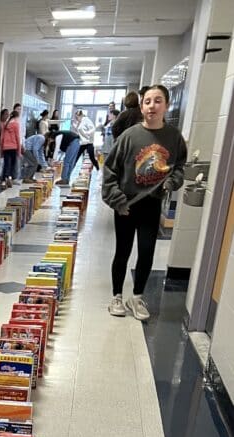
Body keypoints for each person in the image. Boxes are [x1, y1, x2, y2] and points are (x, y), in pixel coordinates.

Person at [102, 84, 187, 320]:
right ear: (141, 106)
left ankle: (136, 297)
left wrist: (172, 183)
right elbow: (110, 170)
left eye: (157, 101)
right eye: (147, 101)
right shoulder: (129, 136)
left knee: (147, 251)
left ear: (166, 105)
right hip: (126, 204)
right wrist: (117, 200)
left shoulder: (173, 137)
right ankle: (116, 295)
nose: (152, 106)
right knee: (123, 251)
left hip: (152, 204)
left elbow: (179, 166)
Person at [0, 109, 22, 187]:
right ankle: (9, 177)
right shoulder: (16, 124)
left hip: (6, 147)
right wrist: (19, 151)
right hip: (13, 147)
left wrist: (1, 149)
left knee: (6, 164)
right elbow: (17, 137)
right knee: (12, 164)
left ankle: (3, 180)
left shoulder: (5, 124)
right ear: (16, 117)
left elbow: (2, 138)